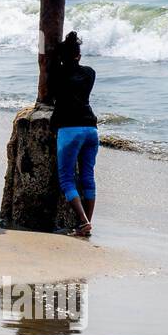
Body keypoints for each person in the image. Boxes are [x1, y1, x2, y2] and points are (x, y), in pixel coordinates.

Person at [48, 31, 99, 238]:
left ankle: (83, 222)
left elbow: (51, 91)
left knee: (67, 179)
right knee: (88, 177)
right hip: (91, 129)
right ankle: (87, 222)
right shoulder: (90, 73)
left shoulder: (56, 74)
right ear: (78, 55)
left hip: (69, 130)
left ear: (60, 57)